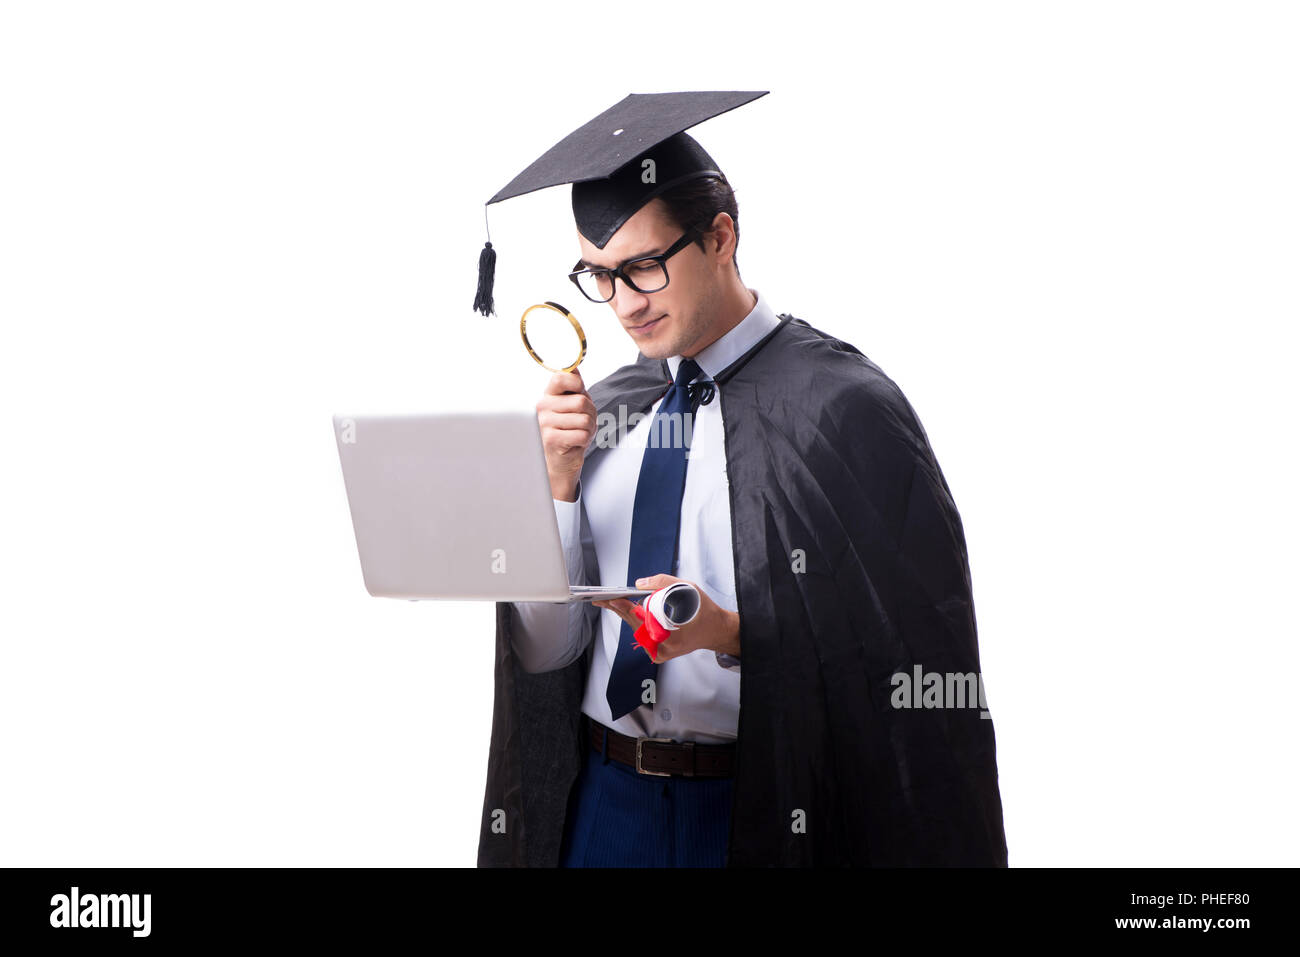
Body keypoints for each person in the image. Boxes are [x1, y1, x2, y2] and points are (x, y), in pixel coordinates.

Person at [475, 91, 1008, 867]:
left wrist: (731, 634)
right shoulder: (612, 411)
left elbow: (902, 663)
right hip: (601, 808)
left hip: (753, 813)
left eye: (645, 268)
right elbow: (545, 656)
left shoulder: (842, 411)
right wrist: (555, 486)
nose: (624, 304)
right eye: (599, 277)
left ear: (721, 237)